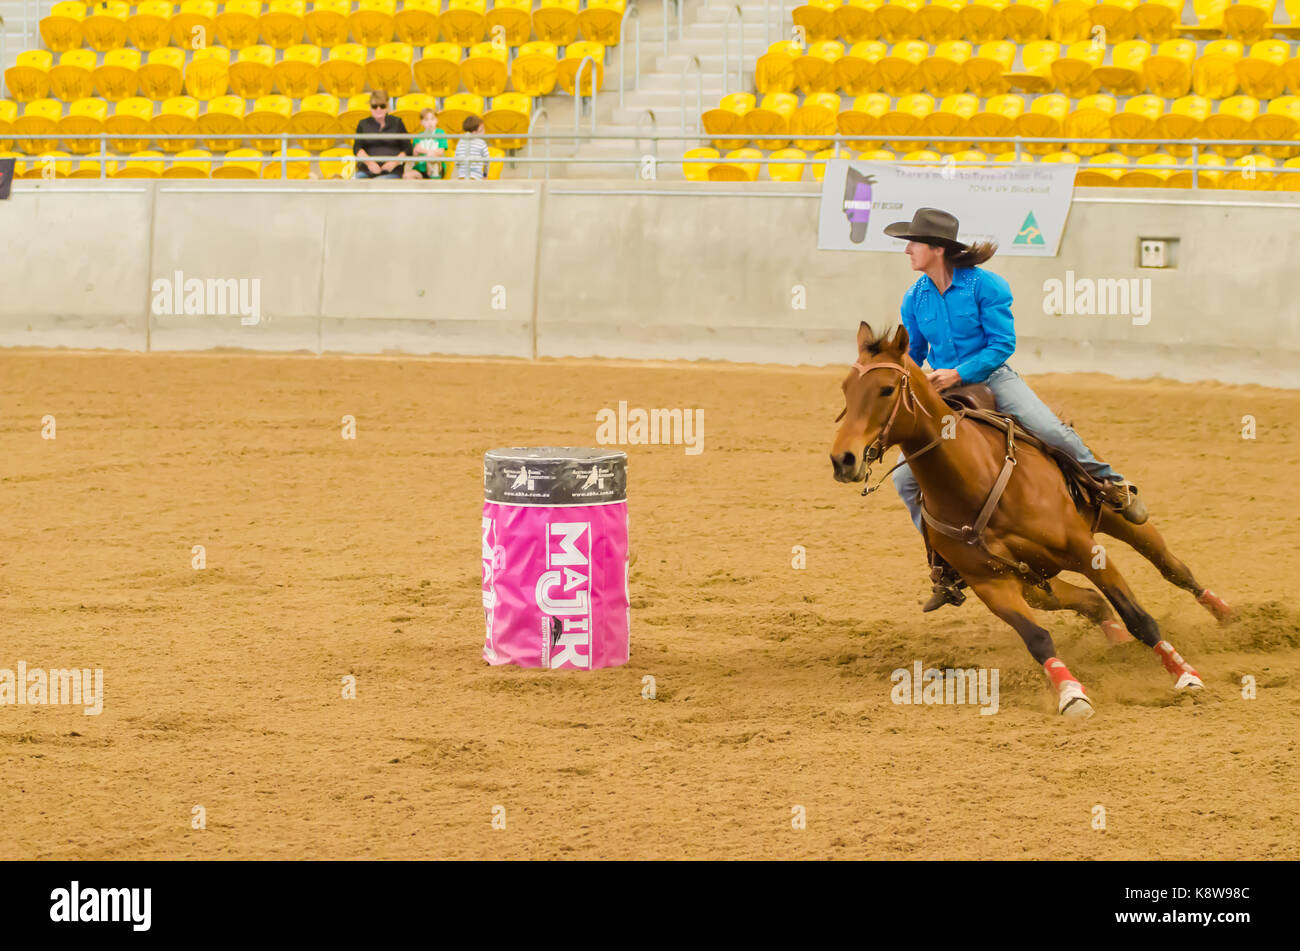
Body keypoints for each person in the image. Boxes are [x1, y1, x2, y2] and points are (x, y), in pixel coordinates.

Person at [881, 207, 1148, 612]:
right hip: (942, 388)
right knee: (904, 480)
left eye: (913, 243)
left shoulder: (987, 286)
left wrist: (957, 374)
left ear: (936, 248)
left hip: (993, 378)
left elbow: (1001, 344)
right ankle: (946, 565)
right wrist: (911, 379)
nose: (907, 252)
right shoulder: (913, 298)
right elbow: (914, 353)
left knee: (1050, 429)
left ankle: (1113, 486)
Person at [353, 92, 409, 179]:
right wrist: (370, 163)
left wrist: (393, 163)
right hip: (366, 170)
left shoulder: (397, 122)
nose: (378, 109)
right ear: (370, 108)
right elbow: (357, 148)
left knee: (378, 182)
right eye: (374, 106)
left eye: (382, 106)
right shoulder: (363, 124)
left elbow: (407, 148)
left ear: (387, 107)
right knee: (358, 179)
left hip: (392, 170)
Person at [405, 108, 448, 181]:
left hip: (436, 167)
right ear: (422, 122)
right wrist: (429, 152)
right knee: (407, 176)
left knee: (432, 158)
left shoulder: (440, 133)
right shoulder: (419, 136)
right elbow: (416, 151)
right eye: (426, 120)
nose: (430, 122)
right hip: (421, 168)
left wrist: (427, 153)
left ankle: (433, 180)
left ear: (436, 120)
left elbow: (440, 151)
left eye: (432, 119)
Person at [453, 116, 491, 180]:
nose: (484, 132)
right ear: (474, 132)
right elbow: (487, 161)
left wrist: (461, 172)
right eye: (482, 130)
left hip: (461, 177)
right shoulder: (481, 143)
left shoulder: (460, 141)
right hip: (476, 178)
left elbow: (457, 161)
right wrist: (485, 174)